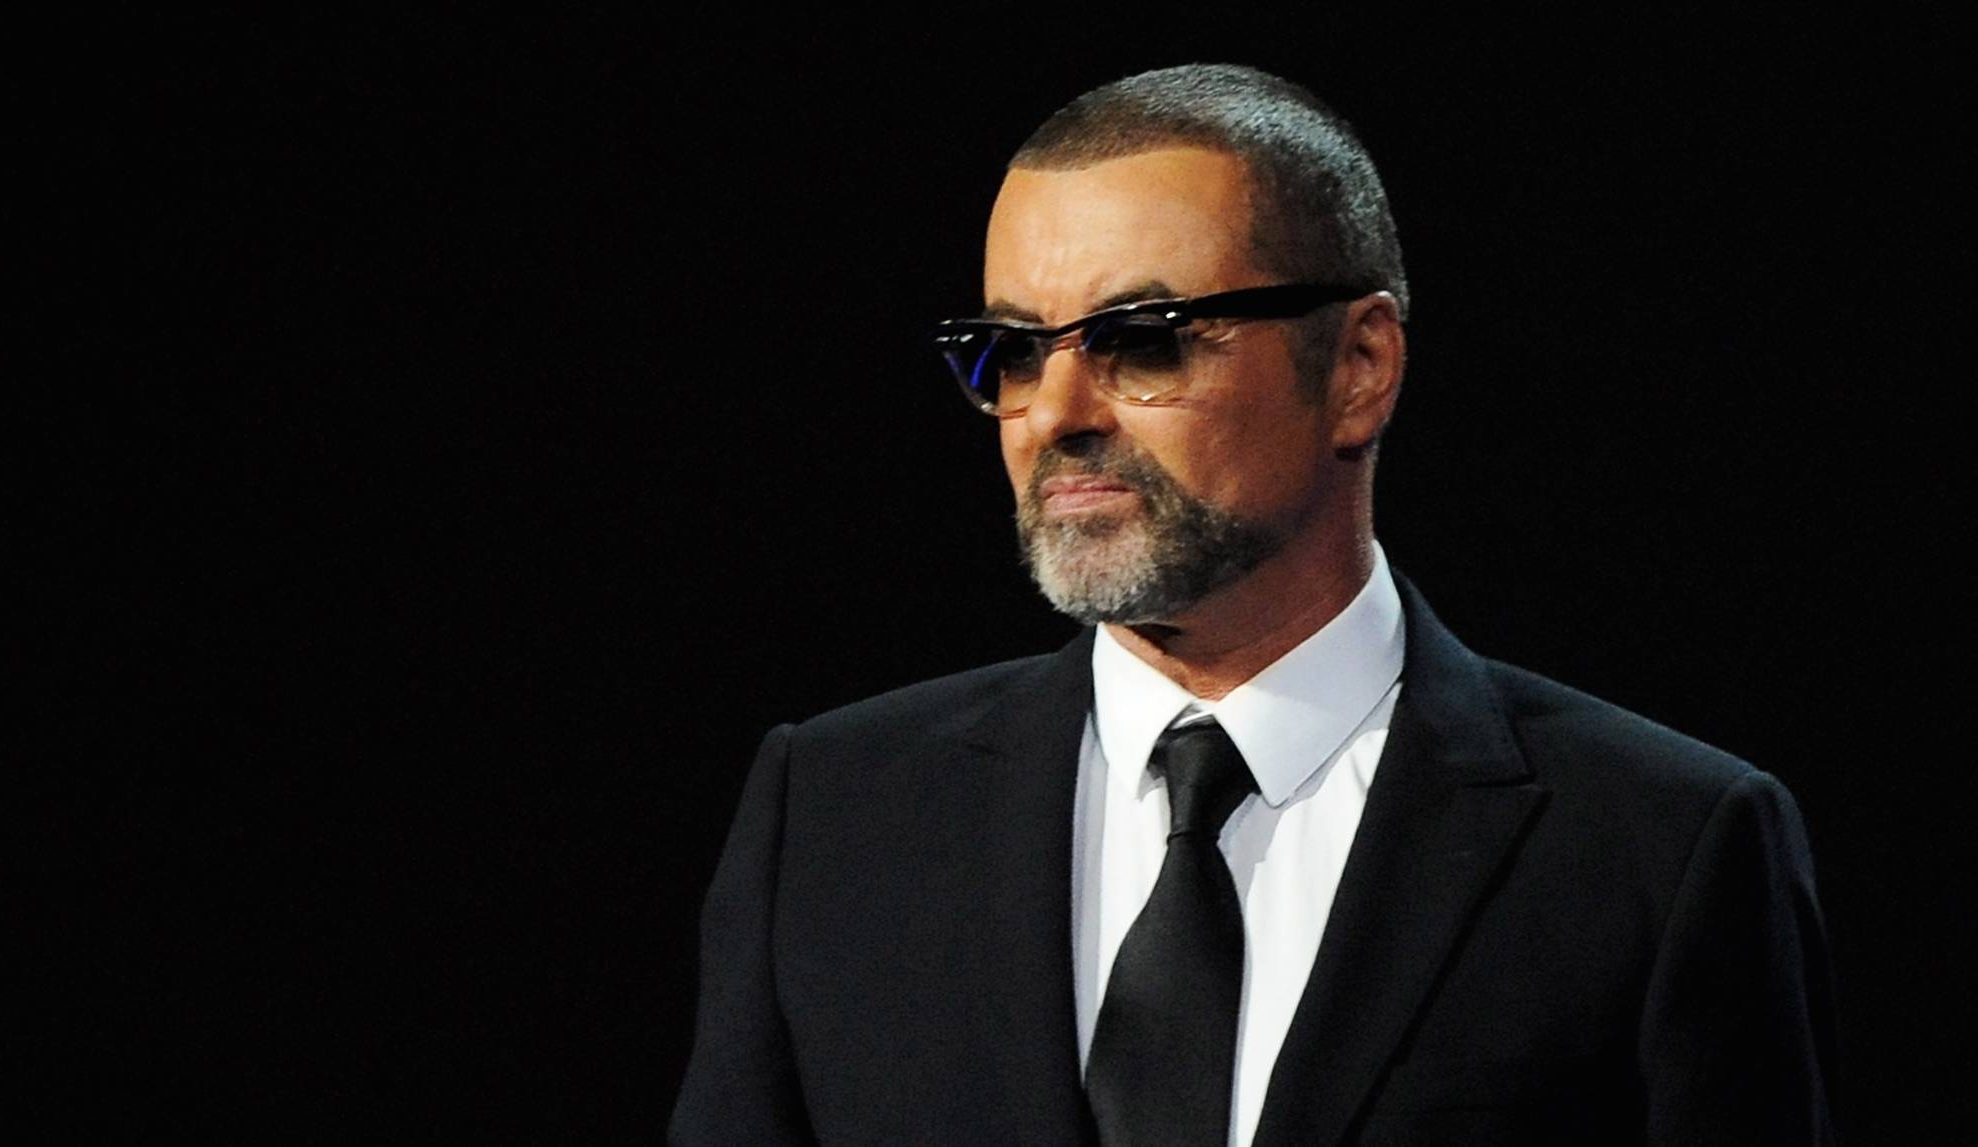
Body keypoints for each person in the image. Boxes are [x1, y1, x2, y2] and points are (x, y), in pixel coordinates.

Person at [670, 64, 1837, 1146]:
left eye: (1140, 342)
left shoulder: (1659, 846)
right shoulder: (834, 815)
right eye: (1013, 351)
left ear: (1358, 367)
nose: (1056, 413)